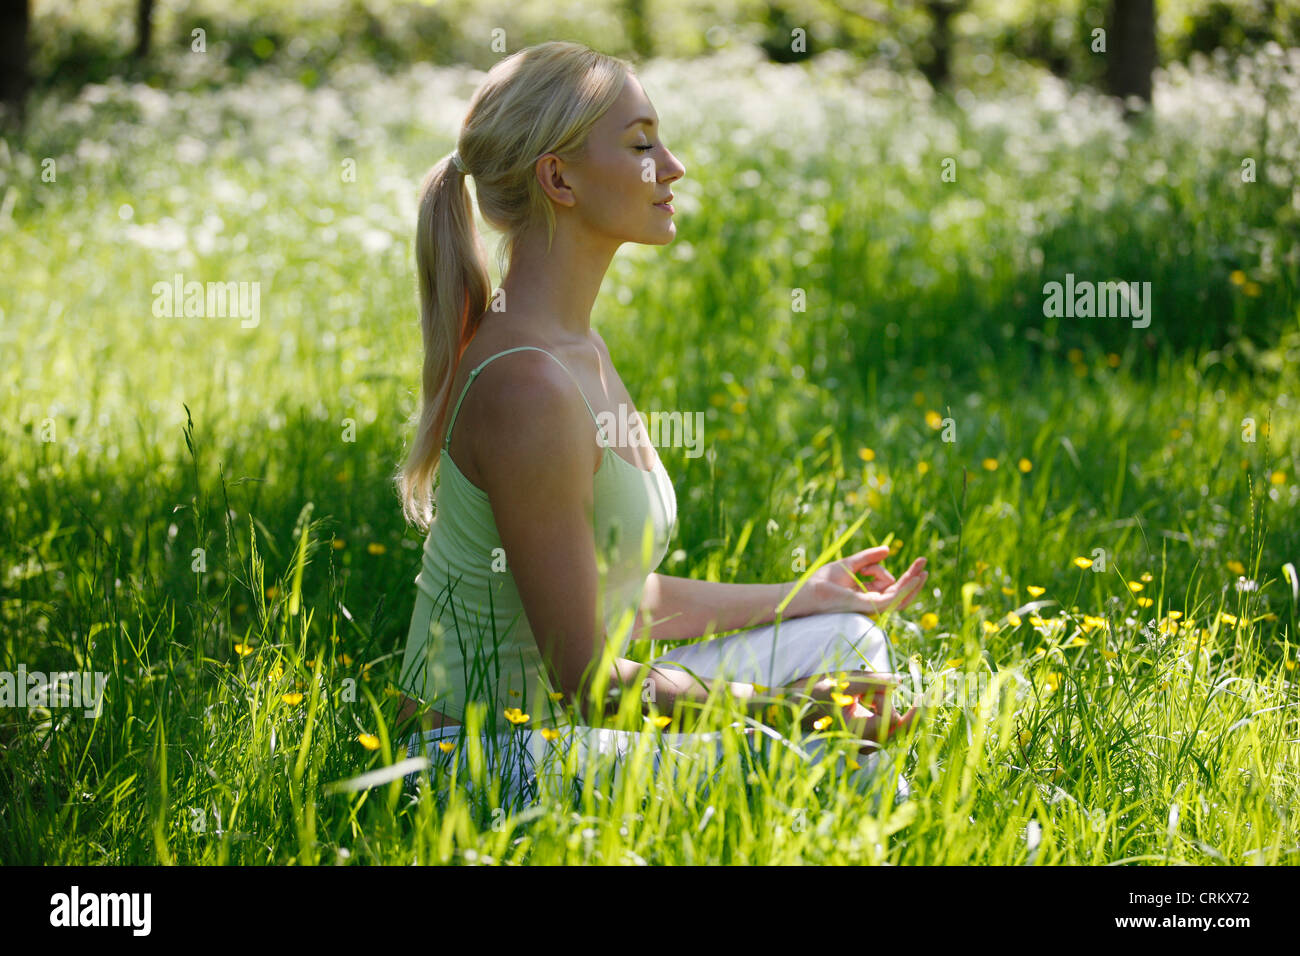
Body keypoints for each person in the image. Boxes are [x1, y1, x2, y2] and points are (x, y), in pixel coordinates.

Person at [391, 41, 928, 806]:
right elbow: (586, 684)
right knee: (829, 753)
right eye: (643, 144)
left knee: (847, 641)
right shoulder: (528, 387)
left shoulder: (576, 347)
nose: (672, 166)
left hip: (561, 730)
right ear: (559, 178)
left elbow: (611, 596)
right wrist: (789, 714)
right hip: (484, 762)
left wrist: (800, 596)